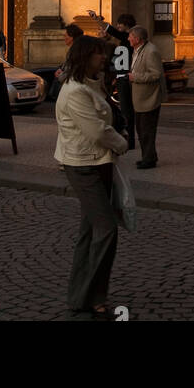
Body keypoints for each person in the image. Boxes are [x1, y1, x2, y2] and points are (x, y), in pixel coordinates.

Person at [55, 35, 129, 320]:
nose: (104, 58)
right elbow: (97, 130)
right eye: (98, 54)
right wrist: (121, 143)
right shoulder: (75, 92)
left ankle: (81, 296)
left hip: (97, 163)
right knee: (106, 228)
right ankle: (92, 295)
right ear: (84, 57)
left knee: (89, 233)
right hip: (84, 166)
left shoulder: (88, 85)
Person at [126, 26, 164, 169]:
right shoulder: (138, 50)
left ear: (137, 39)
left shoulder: (151, 51)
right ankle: (148, 157)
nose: (128, 39)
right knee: (141, 130)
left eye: (130, 36)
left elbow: (156, 74)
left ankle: (149, 159)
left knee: (147, 130)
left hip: (149, 98)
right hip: (140, 98)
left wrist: (135, 77)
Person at [102, 13, 136, 147]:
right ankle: (128, 137)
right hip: (121, 78)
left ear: (126, 25)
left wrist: (99, 21)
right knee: (125, 109)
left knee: (127, 110)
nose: (118, 27)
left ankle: (130, 140)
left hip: (126, 79)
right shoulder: (124, 40)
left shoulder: (128, 38)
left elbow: (116, 33)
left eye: (120, 25)